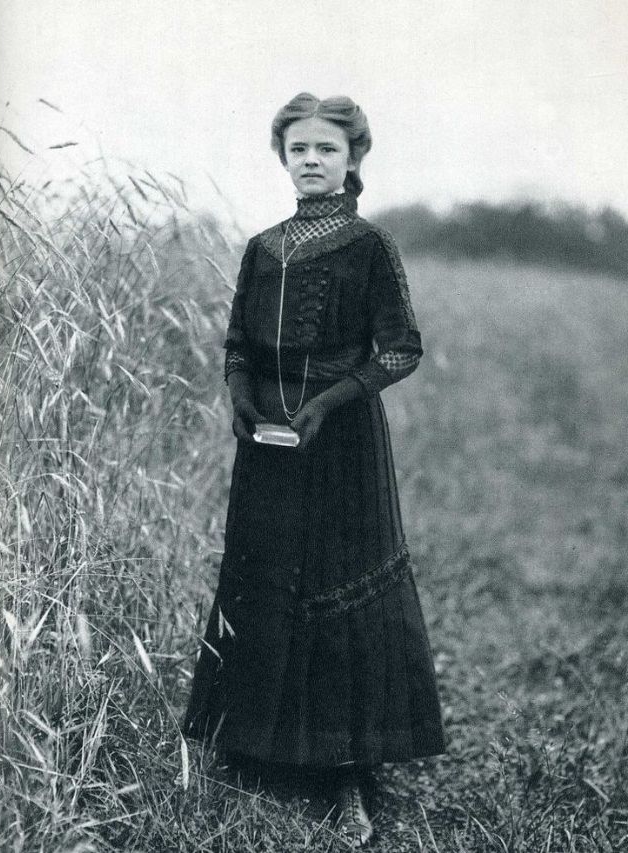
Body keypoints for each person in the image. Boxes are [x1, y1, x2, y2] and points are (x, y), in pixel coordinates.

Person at [183, 92, 446, 847]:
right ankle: (259, 748)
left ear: (352, 158)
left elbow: (400, 349)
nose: (311, 159)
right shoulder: (262, 247)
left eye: (326, 148)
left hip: (341, 440)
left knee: (337, 584)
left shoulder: (371, 247)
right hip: (266, 441)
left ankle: (345, 770)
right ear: (283, 157)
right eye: (298, 148)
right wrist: (238, 394)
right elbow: (236, 340)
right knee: (263, 577)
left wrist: (331, 402)